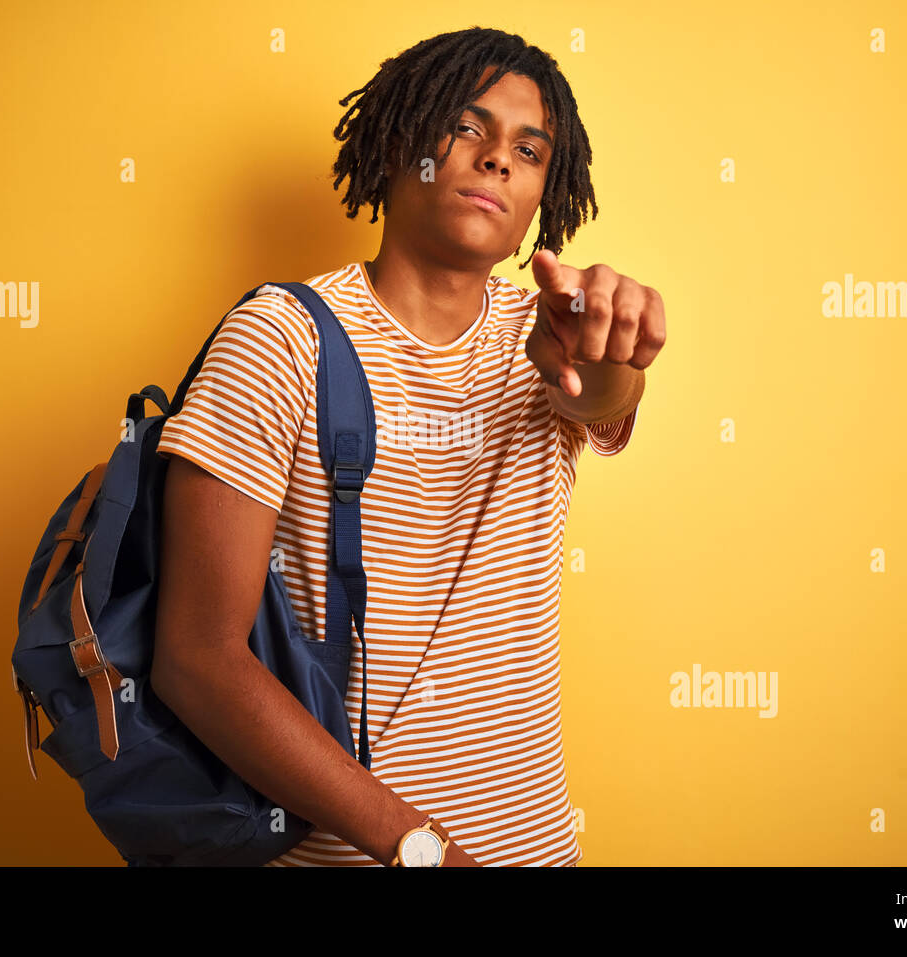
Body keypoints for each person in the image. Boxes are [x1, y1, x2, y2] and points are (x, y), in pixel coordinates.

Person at [149, 26, 666, 867]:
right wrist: (423, 851)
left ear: (544, 195)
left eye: (529, 149)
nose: (498, 158)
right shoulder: (282, 339)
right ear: (400, 140)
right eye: (468, 127)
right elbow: (195, 658)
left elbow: (601, 395)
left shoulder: (545, 334)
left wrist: (608, 356)